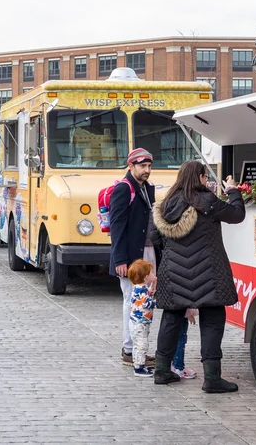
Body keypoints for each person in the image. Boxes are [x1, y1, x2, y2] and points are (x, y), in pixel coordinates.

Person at [149, 160, 245, 392]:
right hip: (209, 272)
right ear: (200, 178)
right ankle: (212, 379)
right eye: (205, 177)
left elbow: (154, 236)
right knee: (212, 320)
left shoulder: (166, 204)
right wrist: (232, 190)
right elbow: (237, 215)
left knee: (171, 318)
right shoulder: (207, 201)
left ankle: (162, 371)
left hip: (173, 271)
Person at [108, 148, 156, 368]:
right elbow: (116, 226)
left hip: (146, 252)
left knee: (143, 302)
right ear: (131, 166)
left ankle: (139, 348)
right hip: (130, 256)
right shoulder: (123, 189)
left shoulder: (146, 188)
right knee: (131, 301)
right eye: (142, 166)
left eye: (148, 166)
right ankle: (129, 349)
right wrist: (120, 259)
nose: (146, 170)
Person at [127, 259, 156, 377]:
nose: (154, 274)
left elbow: (144, 297)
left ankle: (137, 364)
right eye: (152, 273)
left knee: (136, 344)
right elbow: (146, 303)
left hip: (135, 322)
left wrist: (153, 286)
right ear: (146, 276)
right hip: (140, 323)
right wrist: (156, 302)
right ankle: (139, 368)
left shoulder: (137, 287)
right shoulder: (142, 289)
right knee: (142, 345)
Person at [171, 309, 198, 379]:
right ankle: (178, 368)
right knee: (180, 340)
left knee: (175, 338)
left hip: (173, 311)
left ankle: (174, 365)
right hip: (181, 312)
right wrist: (188, 313)